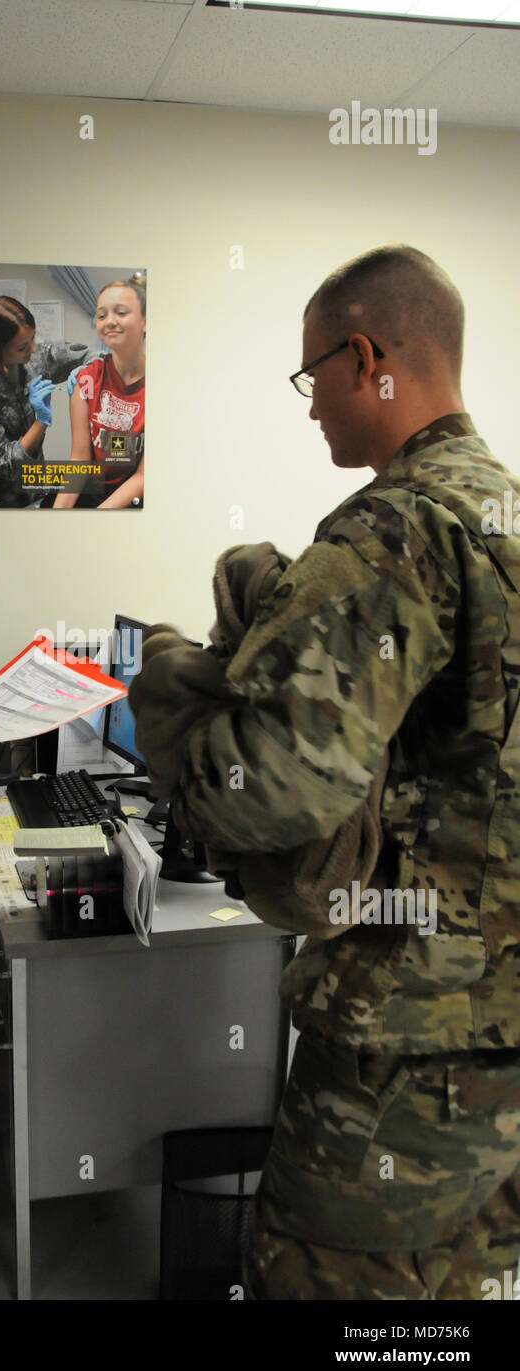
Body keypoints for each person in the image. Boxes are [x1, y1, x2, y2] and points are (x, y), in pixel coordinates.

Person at [129, 245, 520, 1300]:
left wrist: (166, 688)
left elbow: (270, 792)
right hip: (503, 1039)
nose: (309, 410)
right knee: (461, 1290)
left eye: (312, 379)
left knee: (332, 1288)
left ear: (365, 358)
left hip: (404, 1044)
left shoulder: (395, 526)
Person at [0, 296, 89, 508]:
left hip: (37, 489)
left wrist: (90, 367)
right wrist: (40, 422)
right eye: (22, 347)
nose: (32, 350)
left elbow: (90, 355)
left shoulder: (38, 357)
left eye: (33, 339)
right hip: (2, 502)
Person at [54, 278, 146, 509]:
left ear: (145, 321)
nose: (110, 322)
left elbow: (144, 476)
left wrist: (99, 520)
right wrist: (58, 514)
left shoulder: (165, 386)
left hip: (138, 499)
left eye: (121, 312)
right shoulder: (86, 379)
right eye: (102, 315)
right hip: (93, 490)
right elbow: (80, 459)